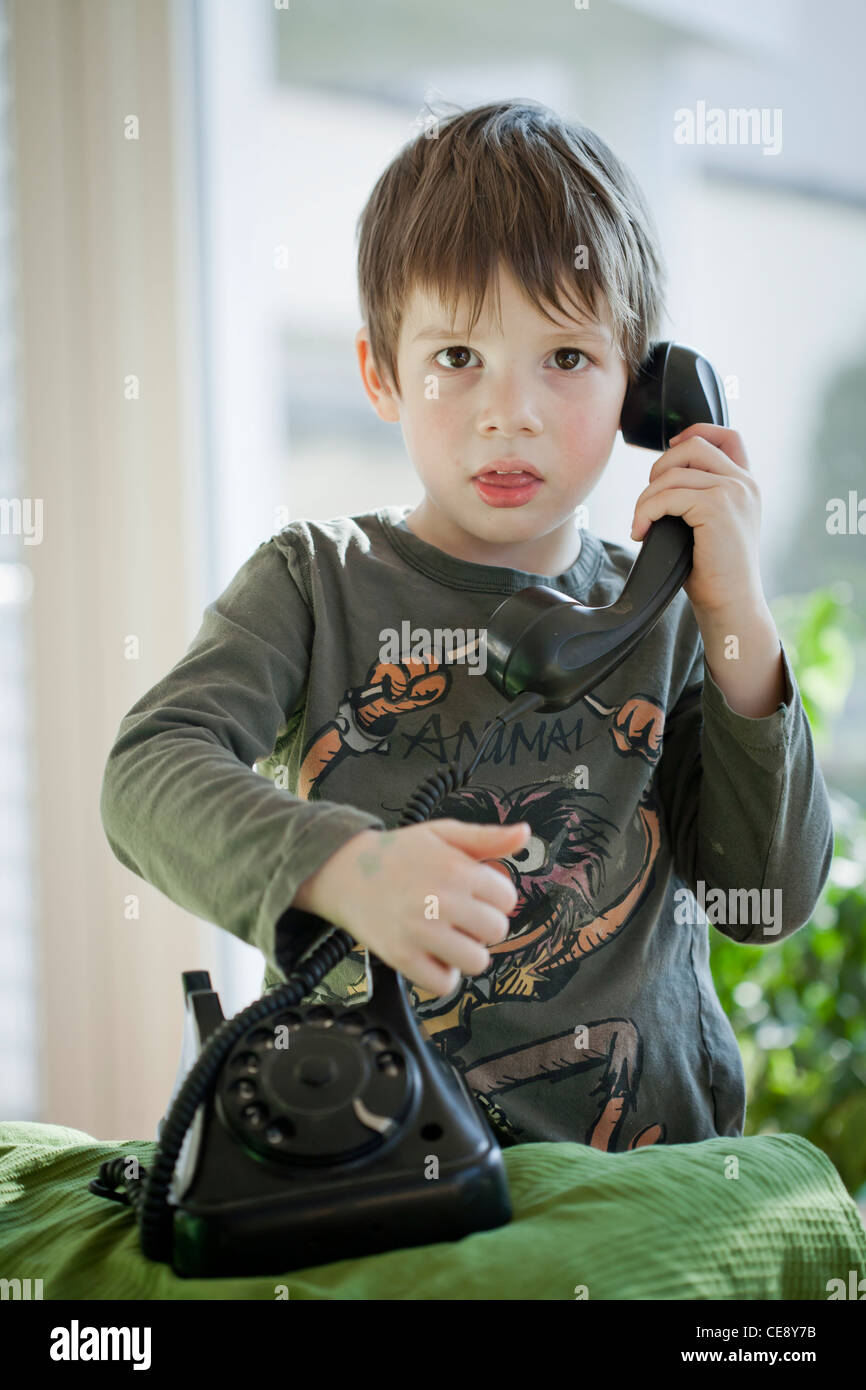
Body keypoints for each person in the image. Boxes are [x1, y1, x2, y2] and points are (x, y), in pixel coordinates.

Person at [100, 100, 833, 1151]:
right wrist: (344, 868)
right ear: (379, 372)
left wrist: (738, 626)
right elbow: (144, 776)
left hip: (642, 1182)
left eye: (566, 359)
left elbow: (762, 901)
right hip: (375, 1164)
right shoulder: (312, 584)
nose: (509, 411)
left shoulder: (678, 622)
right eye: (455, 356)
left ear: (643, 388)